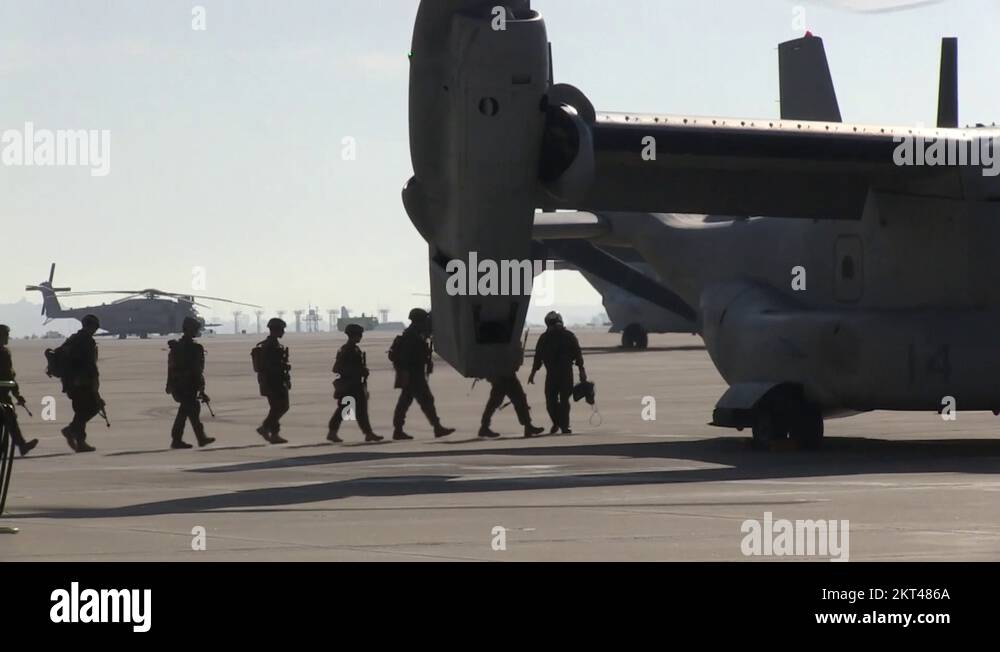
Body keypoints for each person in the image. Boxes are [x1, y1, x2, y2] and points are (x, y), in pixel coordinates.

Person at [389, 308, 455, 441]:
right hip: (413, 374)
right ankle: (436, 427)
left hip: (414, 373)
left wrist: (426, 361)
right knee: (425, 400)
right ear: (418, 320)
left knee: (406, 402)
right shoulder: (411, 336)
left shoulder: (415, 334)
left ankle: (399, 430)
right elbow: (410, 356)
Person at [528, 311, 586, 435]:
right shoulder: (545, 338)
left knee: (561, 401)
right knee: (552, 402)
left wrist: (582, 370)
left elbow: (577, 354)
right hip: (554, 374)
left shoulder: (567, 336)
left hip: (564, 374)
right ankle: (558, 423)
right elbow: (538, 357)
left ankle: (564, 426)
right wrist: (533, 372)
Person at [328, 324, 382, 443]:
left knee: (360, 409)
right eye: (359, 334)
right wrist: (358, 371)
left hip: (355, 384)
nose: (361, 337)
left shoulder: (354, 349)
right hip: (349, 385)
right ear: (353, 335)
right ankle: (332, 432)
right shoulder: (347, 350)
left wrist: (362, 372)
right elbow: (337, 368)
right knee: (345, 409)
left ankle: (368, 433)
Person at [166, 317, 215, 449]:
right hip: (187, 385)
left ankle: (196, 438)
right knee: (190, 409)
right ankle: (188, 438)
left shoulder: (179, 347)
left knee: (188, 410)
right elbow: (197, 369)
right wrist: (200, 387)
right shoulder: (192, 348)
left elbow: (173, 367)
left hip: (182, 385)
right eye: (194, 328)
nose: (196, 330)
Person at [479, 339, 545, 439]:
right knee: (517, 399)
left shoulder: (501, 339)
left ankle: (484, 427)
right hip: (503, 375)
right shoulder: (499, 341)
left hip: (504, 374)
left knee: (499, 401)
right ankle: (528, 426)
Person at [58, 314, 105, 453]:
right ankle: (73, 433)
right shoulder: (87, 341)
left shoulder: (73, 338)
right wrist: (94, 381)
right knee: (91, 407)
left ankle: (79, 439)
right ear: (91, 326)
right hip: (82, 381)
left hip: (70, 381)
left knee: (82, 410)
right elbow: (89, 364)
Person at [0, 325, 38, 456]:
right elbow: (8, 376)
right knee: (8, 419)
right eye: (5, 335)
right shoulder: (3, 353)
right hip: (2, 394)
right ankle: (20, 445)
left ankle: (20, 445)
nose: (7, 338)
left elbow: (9, 376)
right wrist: (17, 394)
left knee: (10, 420)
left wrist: (16, 394)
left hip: (4, 393)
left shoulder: (5, 352)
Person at [253, 318, 291, 444]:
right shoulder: (271, 346)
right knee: (281, 407)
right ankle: (265, 428)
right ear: (276, 330)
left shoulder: (271, 344)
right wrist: (282, 368)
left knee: (276, 408)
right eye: (282, 329)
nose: (283, 332)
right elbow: (270, 365)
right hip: (273, 381)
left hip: (273, 380)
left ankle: (273, 433)